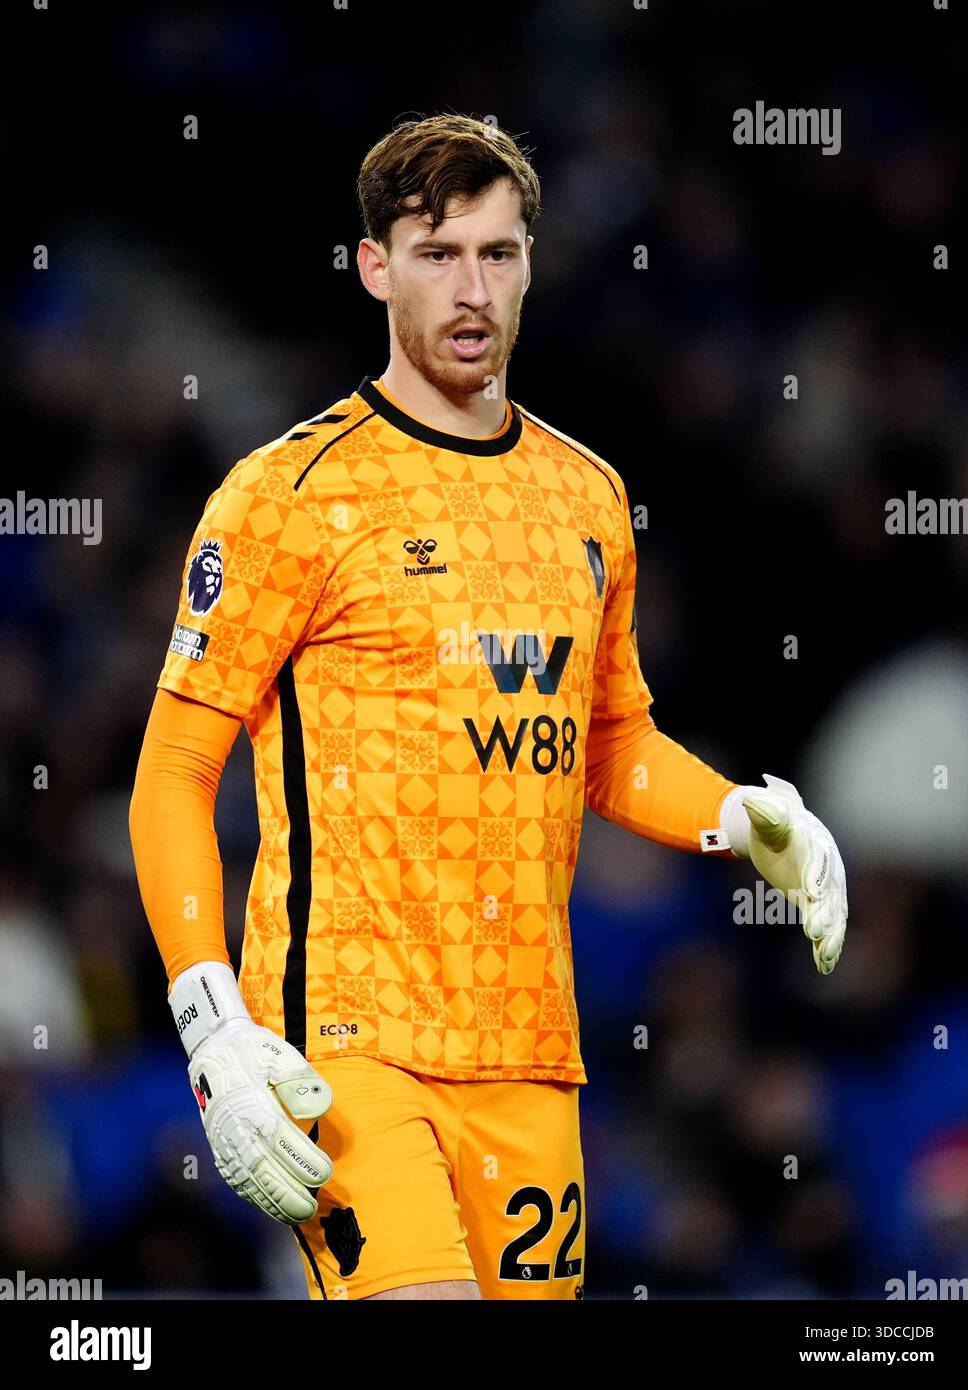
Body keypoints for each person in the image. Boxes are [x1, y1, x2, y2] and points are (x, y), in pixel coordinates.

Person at [129, 113, 847, 1301]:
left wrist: (737, 815)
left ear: (529, 266)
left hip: (531, 1053)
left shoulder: (588, 496)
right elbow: (171, 775)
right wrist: (214, 1029)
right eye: (437, 253)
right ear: (374, 267)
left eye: (498, 254)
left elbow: (608, 743)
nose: (473, 288)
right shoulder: (288, 495)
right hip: (348, 1041)